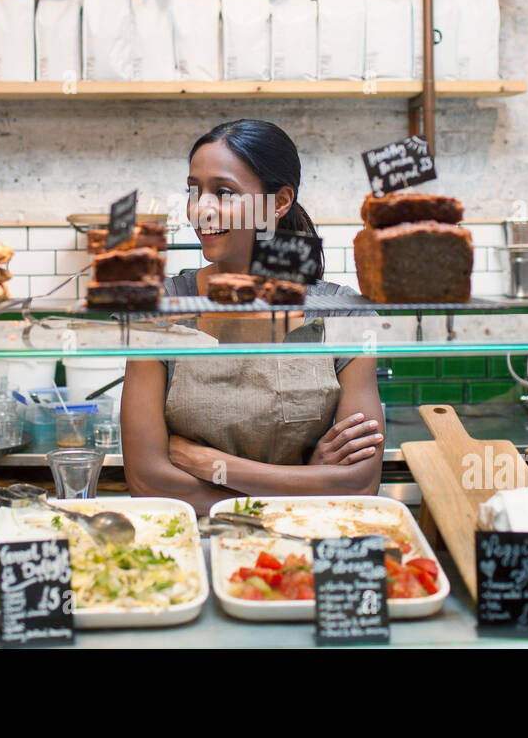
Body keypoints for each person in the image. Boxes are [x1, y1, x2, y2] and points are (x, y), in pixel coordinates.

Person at [121, 119, 384, 515]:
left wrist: (212, 466)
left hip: (305, 545)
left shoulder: (342, 314)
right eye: (194, 191)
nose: (201, 210)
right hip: (193, 549)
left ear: (279, 202)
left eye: (223, 193)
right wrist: (303, 481)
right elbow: (147, 480)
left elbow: (360, 483)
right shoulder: (160, 309)